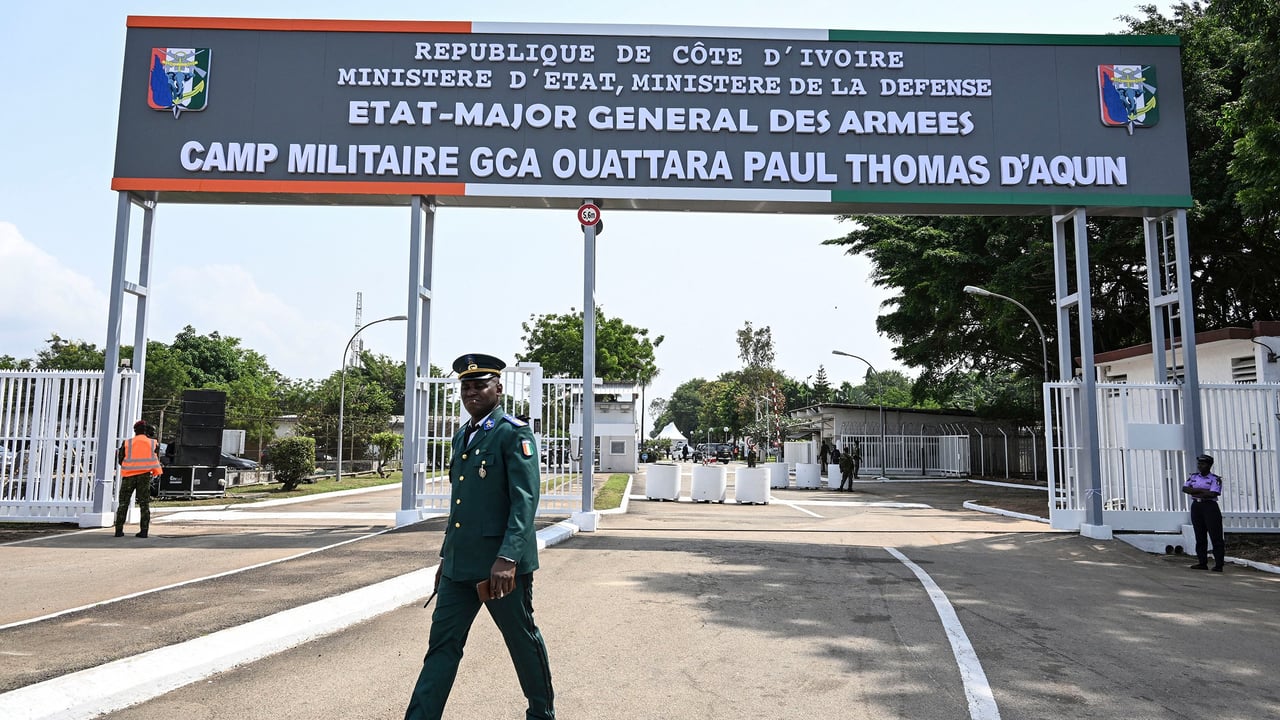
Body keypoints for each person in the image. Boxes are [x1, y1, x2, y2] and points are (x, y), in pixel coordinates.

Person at [405, 353, 555, 720]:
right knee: (442, 646)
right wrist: (446, 557)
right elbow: (460, 506)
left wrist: (509, 558)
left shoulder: (512, 433)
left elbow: (524, 501)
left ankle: (541, 714)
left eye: (480, 386)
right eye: (466, 387)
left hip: (500, 568)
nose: (471, 392)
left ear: (498, 389)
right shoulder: (463, 435)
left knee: (521, 640)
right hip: (459, 567)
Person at [114, 420, 163, 538]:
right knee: (144, 504)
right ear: (146, 431)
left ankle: (119, 530)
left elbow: (120, 460)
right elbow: (156, 458)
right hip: (144, 476)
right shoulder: (153, 443)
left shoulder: (127, 443)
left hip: (128, 476)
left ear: (135, 431)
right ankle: (144, 531)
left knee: (123, 503)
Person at [1182, 453, 1226, 572]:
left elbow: (1213, 493)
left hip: (1210, 507)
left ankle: (1219, 564)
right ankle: (1202, 562)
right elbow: (1185, 489)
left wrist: (1194, 491)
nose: (1200, 466)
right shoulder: (1194, 477)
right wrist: (1202, 491)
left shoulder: (1215, 479)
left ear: (1209, 465)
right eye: (1199, 464)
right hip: (1196, 506)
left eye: (1203, 464)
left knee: (1215, 536)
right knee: (1199, 535)